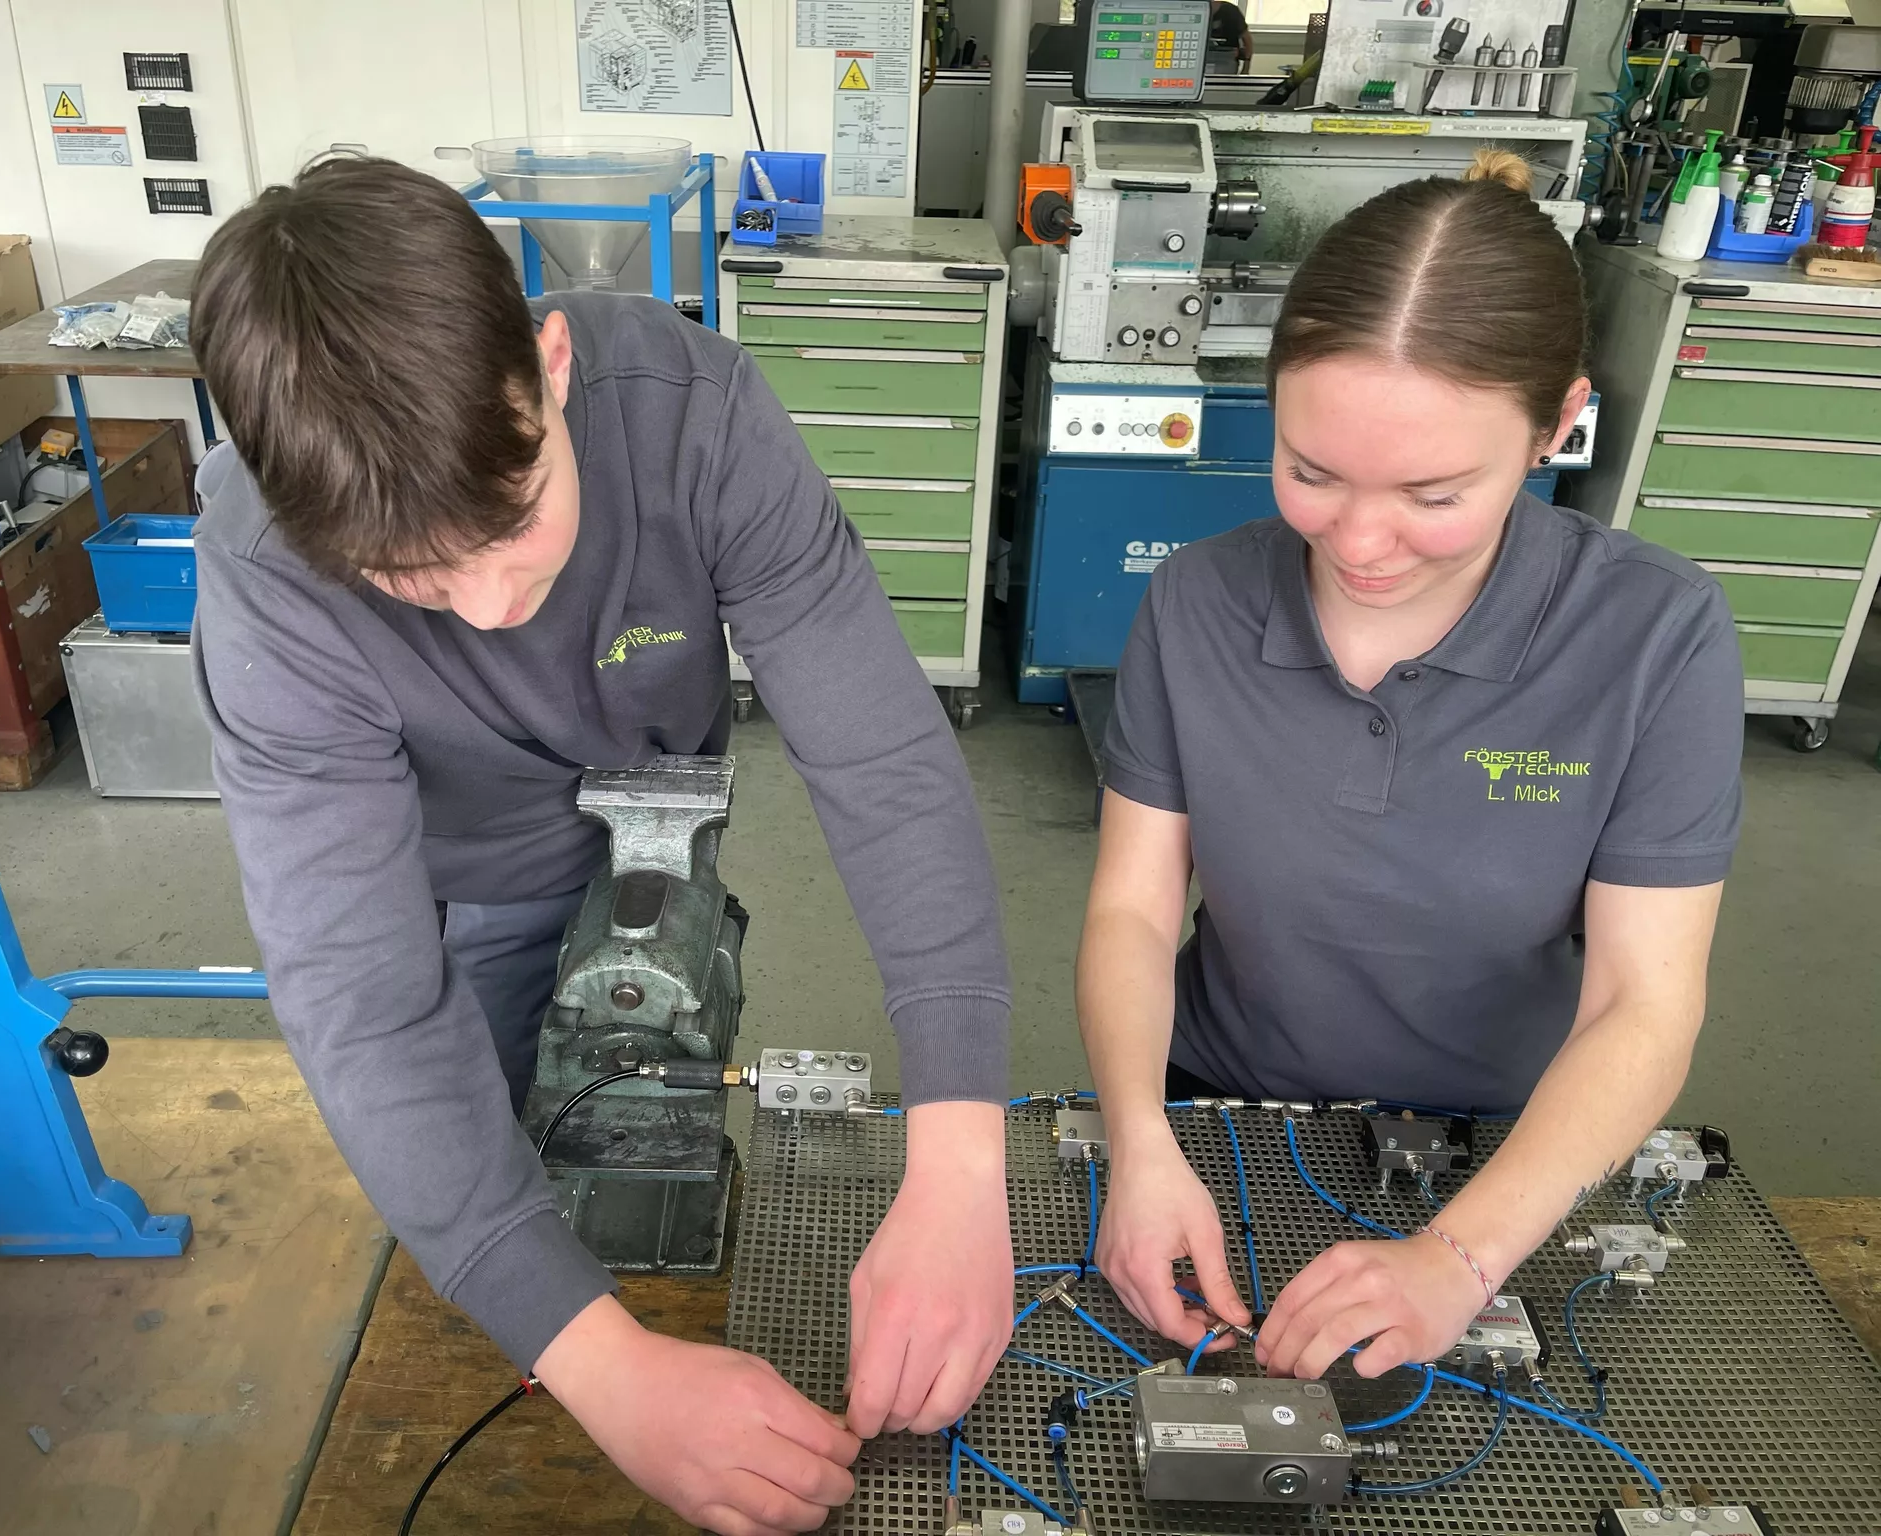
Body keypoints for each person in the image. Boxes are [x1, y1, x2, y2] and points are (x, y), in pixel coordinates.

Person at [187, 157, 1015, 1536]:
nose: (490, 606)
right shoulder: (267, 570)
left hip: (657, 808)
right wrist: (605, 1369)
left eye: (513, 523)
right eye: (410, 578)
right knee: (490, 1154)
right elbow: (365, 1001)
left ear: (552, 365)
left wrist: (961, 1169)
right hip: (460, 873)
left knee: (658, 1074)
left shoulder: (693, 415)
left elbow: (884, 768)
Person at [1076, 150, 1743, 1384]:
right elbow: (1132, 907)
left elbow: (1641, 1004)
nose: (1359, 541)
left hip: (1513, 1153)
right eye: (1309, 473)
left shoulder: (1654, 636)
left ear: (1555, 425)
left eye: (1433, 495)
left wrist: (1459, 1255)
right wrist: (1138, 1140)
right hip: (1216, 1107)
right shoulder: (1198, 601)